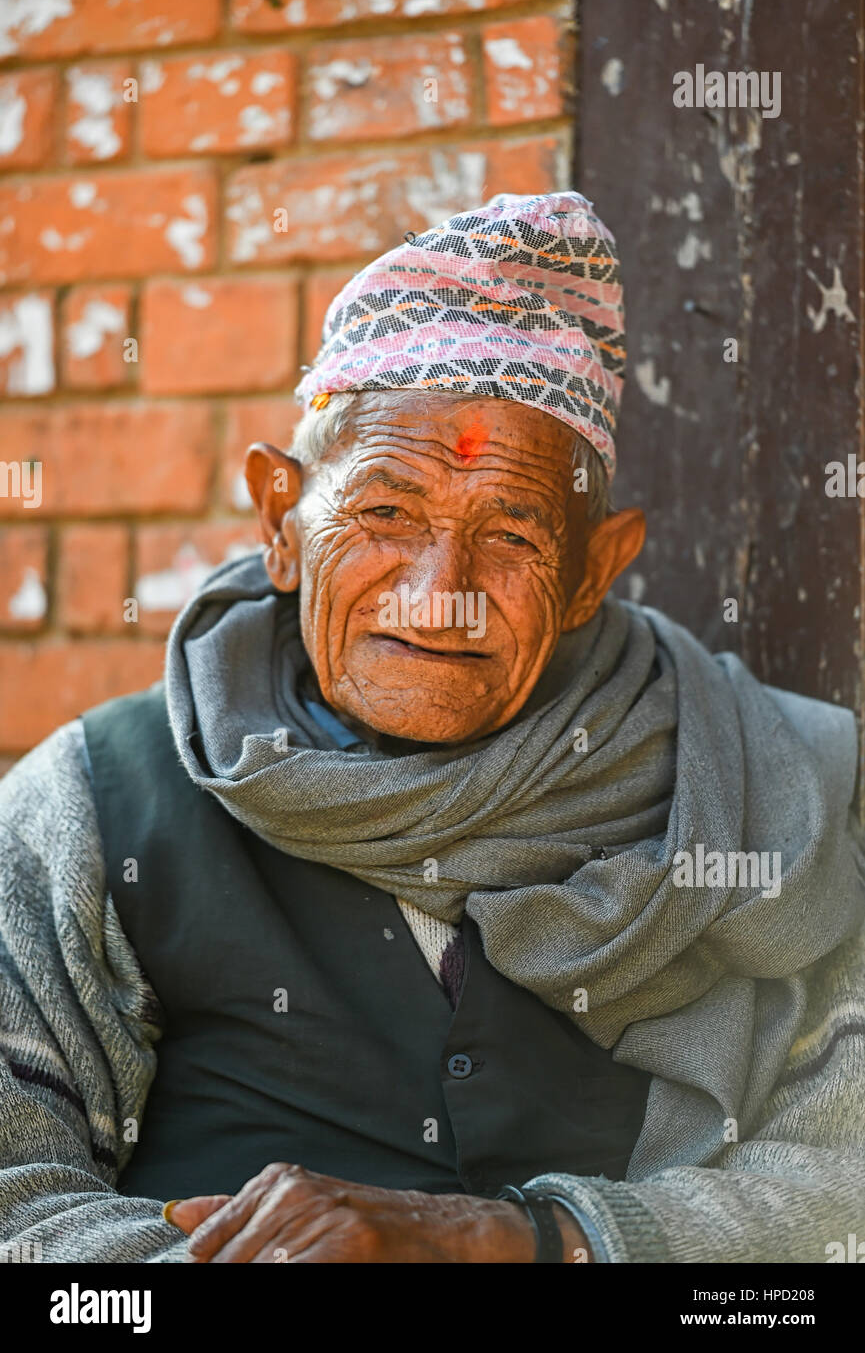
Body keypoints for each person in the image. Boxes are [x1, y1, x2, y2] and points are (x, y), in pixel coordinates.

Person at [1, 191, 863, 1265]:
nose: (439, 590)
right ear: (280, 521)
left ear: (595, 570)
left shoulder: (779, 794)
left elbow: (847, 1195)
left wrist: (529, 1242)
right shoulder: (91, 806)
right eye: (385, 513)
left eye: (510, 532)